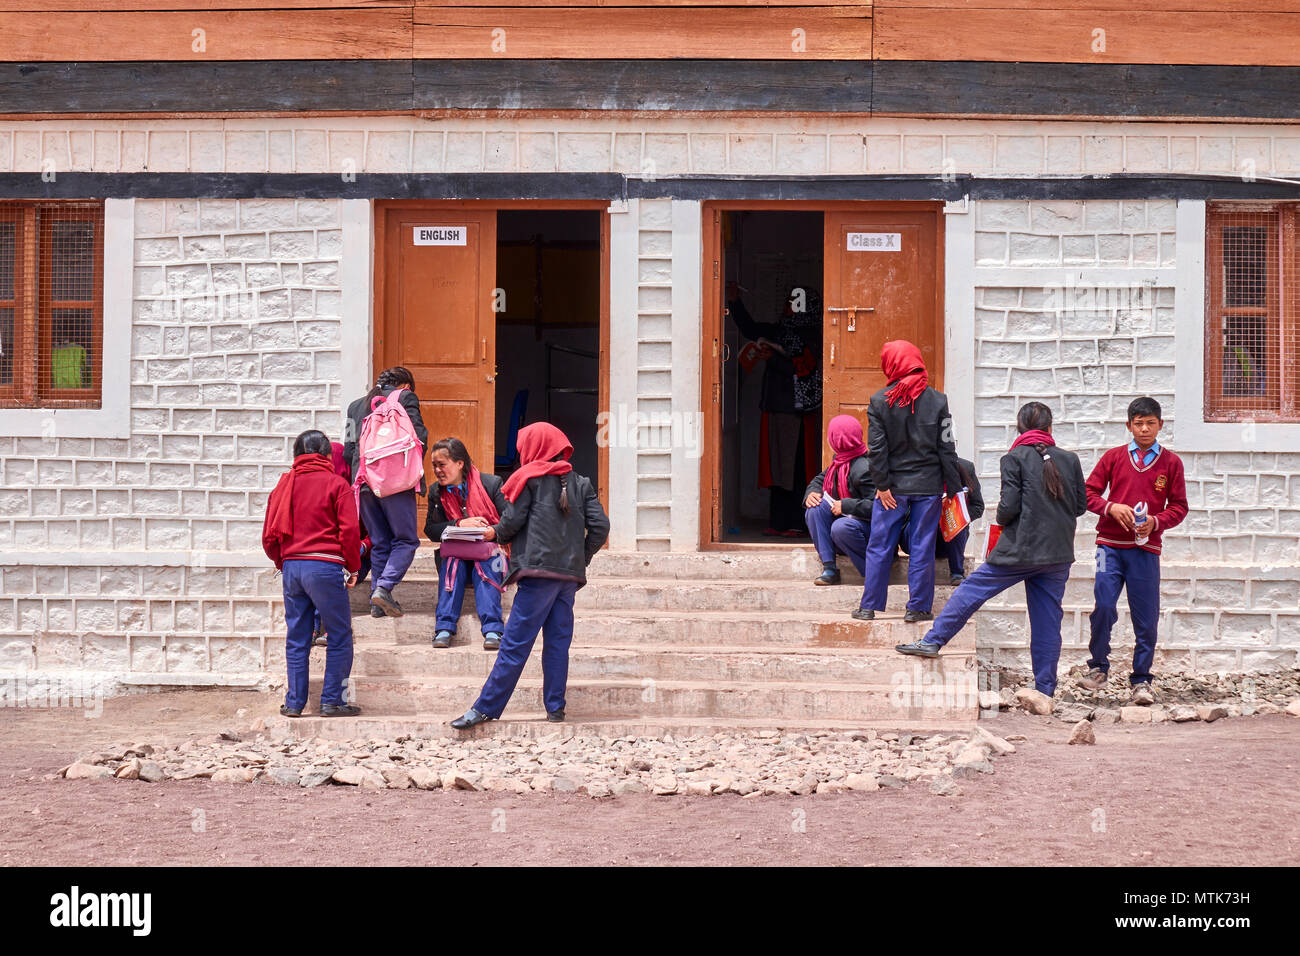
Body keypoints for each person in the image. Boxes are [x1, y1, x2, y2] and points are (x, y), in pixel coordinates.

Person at [895, 402, 1087, 702]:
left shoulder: (1014, 457)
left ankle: (933, 640)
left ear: (1019, 428)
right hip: (1058, 554)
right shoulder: (1070, 459)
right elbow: (1079, 507)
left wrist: (1004, 521)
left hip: (1019, 550)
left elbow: (1008, 508)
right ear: (1050, 429)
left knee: (971, 590)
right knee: (1048, 619)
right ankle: (1045, 690)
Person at [450, 423, 610, 729]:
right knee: (557, 643)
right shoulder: (581, 482)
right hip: (568, 578)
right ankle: (555, 709)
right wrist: (581, 558)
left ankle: (485, 708)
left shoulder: (527, 479)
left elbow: (510, 524)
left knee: (514, 643)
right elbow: (601, 526)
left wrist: (490, 532)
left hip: (537, 574)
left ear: (533, 448)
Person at [1078, 397, 1188, 704]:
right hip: (1108, 547)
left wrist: (1156, 521)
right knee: (1103, 605)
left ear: (1160, 425)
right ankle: (1098, 666)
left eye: (1150, 423)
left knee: (1146, 618)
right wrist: (1111, 508)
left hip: (1146, 550)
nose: (1144, 429)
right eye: (1138, 423)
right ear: (1129, 426)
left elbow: (1179, 507)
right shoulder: (1113, 458)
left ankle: (1141, 679)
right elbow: (1087, 494)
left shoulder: (1171, 463)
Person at [854, 340, 962, 622]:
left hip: (893, 490)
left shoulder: (880, 401)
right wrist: (952, 487)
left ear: (891, 364)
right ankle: (918, 608)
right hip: (928, 488)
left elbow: (877, 449)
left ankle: (869, 607)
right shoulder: (938, 400)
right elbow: (947, 447)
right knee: (922, 546)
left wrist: (882, 485)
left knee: (879, 545)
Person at [262, 430, 362, 718]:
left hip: (292, 567)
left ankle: (294, 703)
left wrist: (283, 561)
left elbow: (269, 536)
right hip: (325, 566)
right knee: (340, 634)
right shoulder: (337, 484)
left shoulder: (283, 485)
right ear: (328, 456)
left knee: (297, 637)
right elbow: (350, 531)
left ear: (296, 456)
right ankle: (332, 701)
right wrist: (353, 566)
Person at [726, 281, 822, 536]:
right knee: (777, 468)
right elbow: (750, 328)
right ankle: (779, 522)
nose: (787, 307)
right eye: (788, 302)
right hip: (775, 407)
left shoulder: (814, 334)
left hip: (798, 413)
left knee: (796, 467)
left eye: (794, 303)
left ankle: (797, 523)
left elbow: (802, 369)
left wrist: (775, 358)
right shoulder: (780, 330)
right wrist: (734, 301)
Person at [343, 366, 428, 620]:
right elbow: (419, 436)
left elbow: (348, 450)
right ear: (406, 386)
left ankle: (376, 604)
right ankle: (384, 587)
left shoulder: (354, 406)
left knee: (380, 542)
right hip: (395, 482)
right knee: (406, 541)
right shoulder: (406, 398)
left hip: (364, 481)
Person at [423, 437, 509, 650]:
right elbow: (430, 530)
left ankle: (492, 630)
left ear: (460, 463)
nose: (437, 470)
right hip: (458, 552)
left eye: (442, 464)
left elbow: (511, 521)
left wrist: (493, 531)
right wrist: (459, 523)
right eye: (434, 465)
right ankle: (444, 628)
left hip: (490, 551)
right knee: (452, 562)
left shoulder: (491, 484)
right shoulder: (436, 492)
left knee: (486, 564)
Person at [802, 414, 873, 585]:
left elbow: (879, 506)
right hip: (849, 530)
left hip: (869, 534)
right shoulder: (840, 461)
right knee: (815, 509)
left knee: (840, 527)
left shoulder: (864, 468)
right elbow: (819, 480)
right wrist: (811, 493)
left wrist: (847, 505)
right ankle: (829, 568)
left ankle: (873, 573)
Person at [313, 440, 371, 647]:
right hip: (329, 556)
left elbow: (376, 534)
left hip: (358, 558)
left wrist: (362, 547)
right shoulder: (319, 491)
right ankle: (313, 627)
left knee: (332, 574)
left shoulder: (360, 493)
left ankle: (329, 629)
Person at [898, 453, 985, 585]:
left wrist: (955, 515)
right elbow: (902, 507)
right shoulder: (915, 468)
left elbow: (977, 506)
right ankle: (919, 575)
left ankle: (957, 573)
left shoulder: (965, 467)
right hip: (916, 533)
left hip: (949, 537)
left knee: (956, 521)